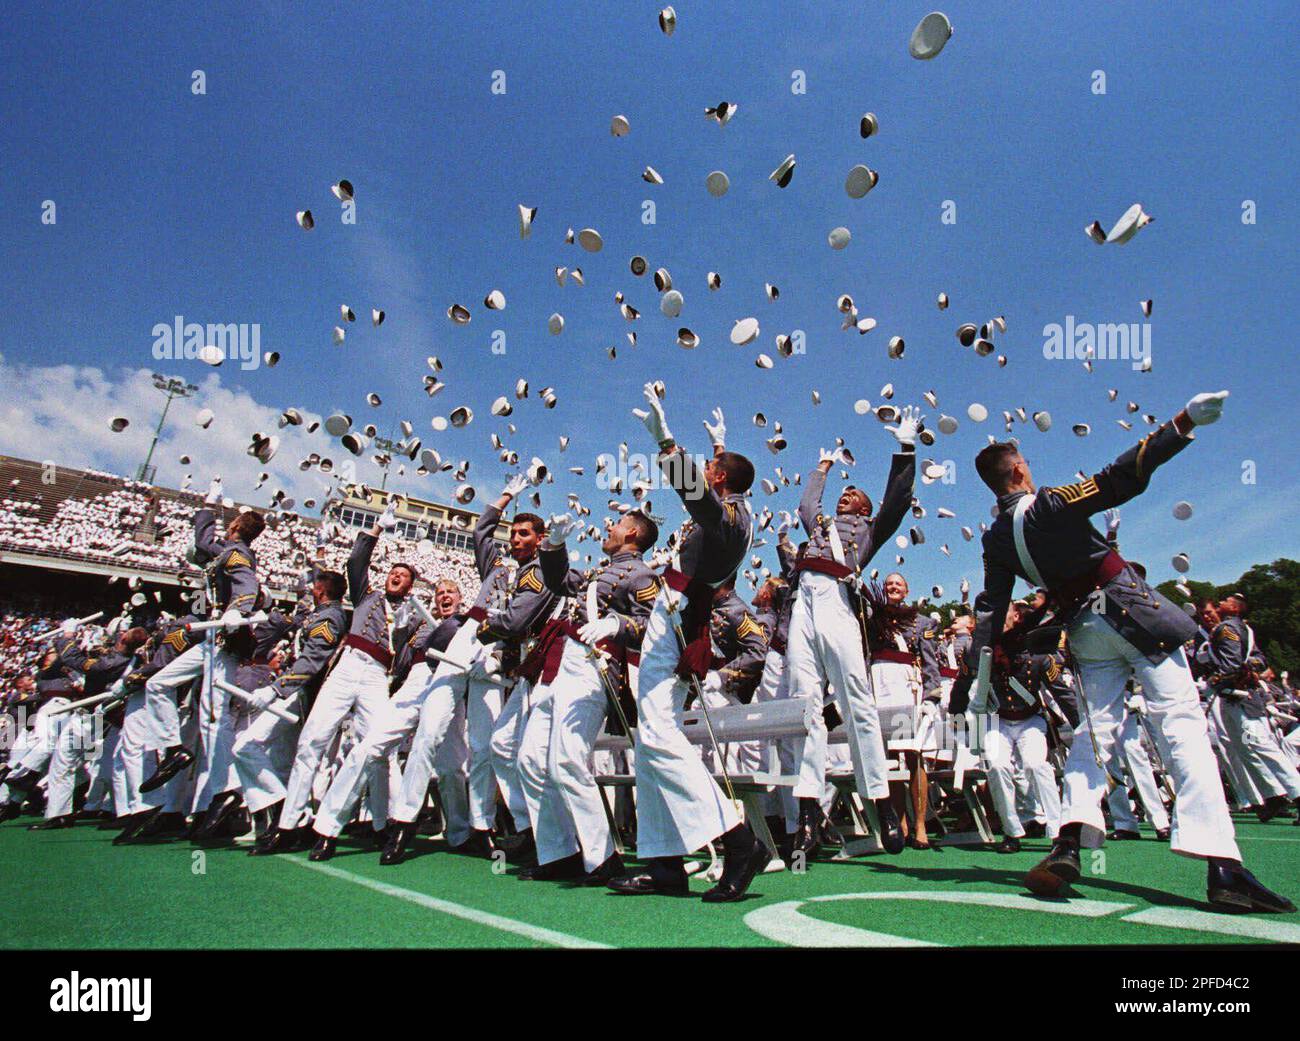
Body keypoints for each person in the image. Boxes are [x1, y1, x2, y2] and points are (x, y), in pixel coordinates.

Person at [960, 390, 1292, 913]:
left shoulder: (996, 539)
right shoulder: (1051, 502)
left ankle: (1069, 840)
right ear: (1020, 470)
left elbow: (989, 610)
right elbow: (1121, 477)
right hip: (1133, 616)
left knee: (1095, 734)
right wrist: (1182, 423)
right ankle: (1222, 866)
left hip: (1084, 633)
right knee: (1181, 724)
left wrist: (978, 678)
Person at [606, 391, 769, 901]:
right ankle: (665, 861)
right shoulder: (740, 511)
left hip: (677, 613)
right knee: (651, 738)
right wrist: (721, 444)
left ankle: (739, 839)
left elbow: (700, 498)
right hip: (676, 611)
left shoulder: (727, 515)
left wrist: (664, 439)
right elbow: (721, 487)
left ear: (719, 479)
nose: (706, 467)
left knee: (656, 733)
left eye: (712, 464)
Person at [783, 407, 921, 858]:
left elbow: (898, 501)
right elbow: (807, 506)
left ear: (863, 509)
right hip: (803, 599)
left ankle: (879, 802)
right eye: (842, 495)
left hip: (838, 599)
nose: (846, 499)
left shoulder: (868, 528)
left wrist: (904, 450)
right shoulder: (819, 526)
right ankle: (806, 814)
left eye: (852, 496)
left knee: (856, 698)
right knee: (806, 704)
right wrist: (821, 470)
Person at [256, 501, 416, 856]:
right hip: (349, 667)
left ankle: (385, 822)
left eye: (403, 576)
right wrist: (375, 530)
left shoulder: (413, 615)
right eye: (393, 572)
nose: (395, 576)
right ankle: (288, 825)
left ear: (410, 586)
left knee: (378, 749)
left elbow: (409, 657)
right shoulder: (367, 596)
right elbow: (356, 563)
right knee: (312, 740)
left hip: (378, 676)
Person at [513, 509, 659, 883]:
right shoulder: (600, 571)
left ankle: (603, 858)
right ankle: (558, 852)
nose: (608, 527)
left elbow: (652, 624)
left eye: (616, 524)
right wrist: (555, 544)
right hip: (559, 665)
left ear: (632, 533)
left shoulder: (641, 574)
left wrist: (616, 624)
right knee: (530, 760)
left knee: (567, 761)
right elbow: (559, 581)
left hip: (593, 666)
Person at [140, 478, 265, 792]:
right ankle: (173, 750)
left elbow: (246, 583)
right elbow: (203, 542)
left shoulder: (238, 555)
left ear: (236, 525)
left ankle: (226, 791)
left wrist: (239, 608)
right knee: (158, 684)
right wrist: (208, 507)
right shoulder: (227, 550)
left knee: (214, 715)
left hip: (224, 640)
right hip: (211, 639)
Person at [234, 569, 346, 844]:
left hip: (302, 695)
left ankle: (287, 810)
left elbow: (311, 662)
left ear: (321, 589)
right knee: (284, 762)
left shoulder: (329, 617)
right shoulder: (316, 613)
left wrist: (275, 689)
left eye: (312, 586)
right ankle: (296, 818)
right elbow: (284, 623)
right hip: (297, 693)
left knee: (245, 746)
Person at [1201, 593, 1300, 823]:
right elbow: (1256, 660)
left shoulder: (1227, 629)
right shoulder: (1240, 630)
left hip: (1240, 696)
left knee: (1259, 744)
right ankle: (1272, 795)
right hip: (1231, 698)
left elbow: (1235, 663)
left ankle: (1296, 791)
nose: (1219, 605)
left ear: (1234, 609)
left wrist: (1218, 680)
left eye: (1224, 602)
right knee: (1244, 748)